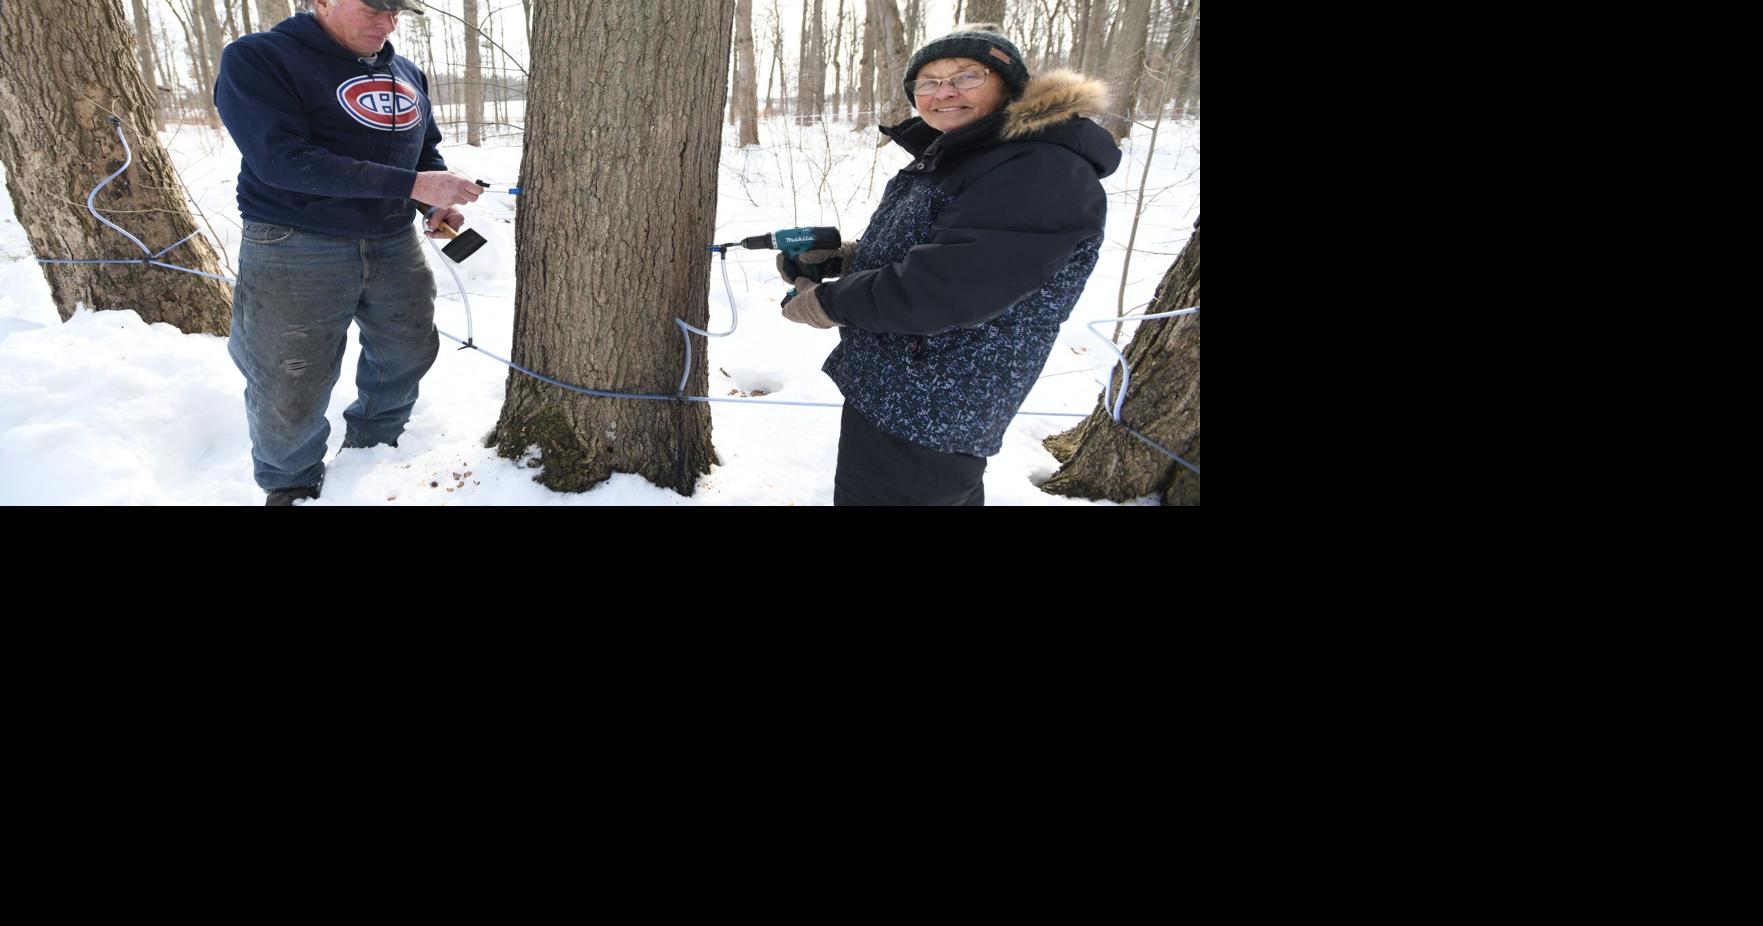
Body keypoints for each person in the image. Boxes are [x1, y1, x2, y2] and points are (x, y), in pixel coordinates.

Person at [779, 26, 1120, 506]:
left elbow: (943, 289)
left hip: (935, 408)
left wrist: (826, 303)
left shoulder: (1039, 168)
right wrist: (849, 258)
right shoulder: (974, 152)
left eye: (965, 76)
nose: (944, 92)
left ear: (1010, 87)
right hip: (897, 388)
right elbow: (949, 245)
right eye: (928, 83)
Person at [215, 0, 483, 505]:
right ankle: (290, 484)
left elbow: (423, 148)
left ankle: (372, 453)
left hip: (391, 239)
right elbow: (282, 160)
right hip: (295, 241)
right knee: (290, 373)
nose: (385, 23)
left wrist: (432, 198)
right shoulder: (261, 58)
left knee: (408, 350)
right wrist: (415, 183)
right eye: (372, 8)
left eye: (395, 12)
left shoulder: (404, 71)